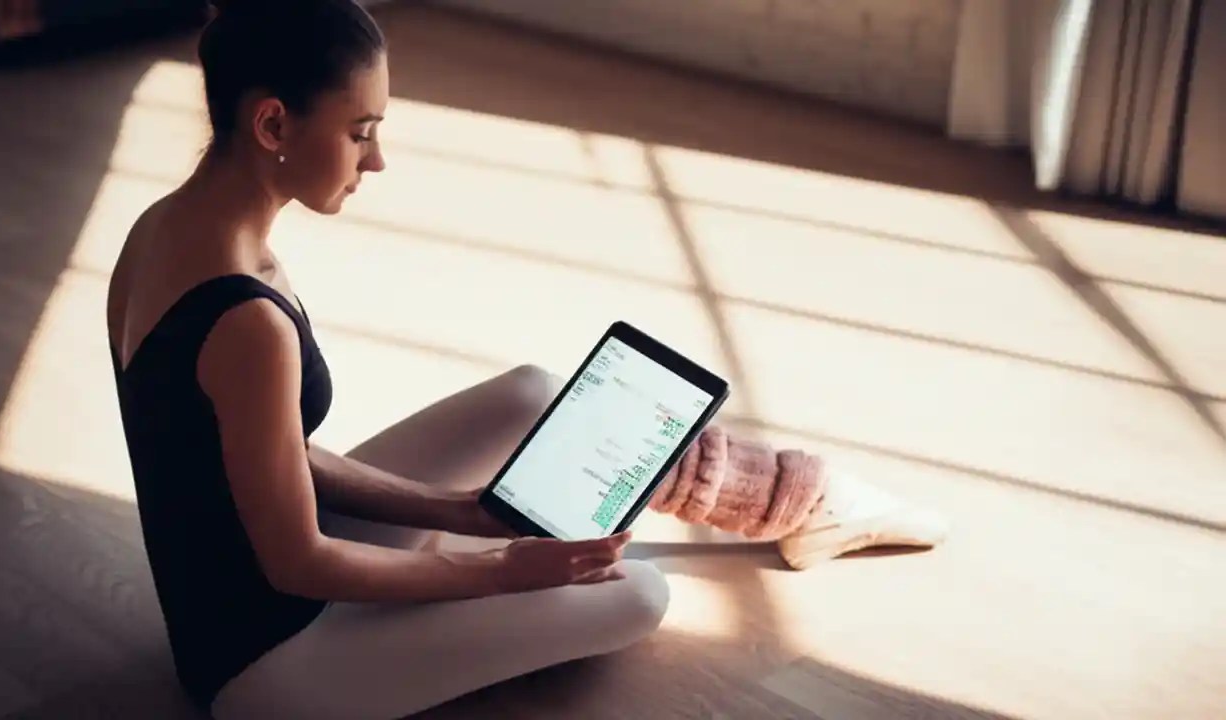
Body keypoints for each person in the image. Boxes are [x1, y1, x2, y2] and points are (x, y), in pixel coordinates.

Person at [107, 2, 944, 718]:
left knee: (533, 394)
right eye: (360, 132)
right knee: (640, 594)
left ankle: (793, 497)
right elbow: (298, 562)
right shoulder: (247, 322)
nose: (377, 159)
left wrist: (464, 512)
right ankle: (797, 498)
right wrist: (499, 574)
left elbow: (268, 453)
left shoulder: (164, 230)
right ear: (273, 125)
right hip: (265, 664)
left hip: (252, 581)